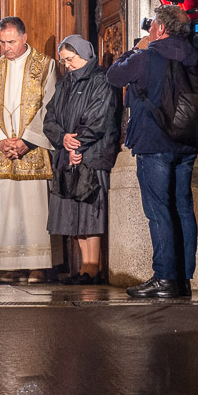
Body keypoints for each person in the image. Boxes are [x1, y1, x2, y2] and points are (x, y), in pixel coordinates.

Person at [106, 4, 198, 298]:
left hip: (154, 142)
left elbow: (113, 76)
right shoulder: (196, 57)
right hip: (187, 141)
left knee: (159, 210)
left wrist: (136, 49)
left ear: (160, 28)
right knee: (183, 208)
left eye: (153, 25)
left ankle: (164, 278)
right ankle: (183, 279)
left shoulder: (146, 56)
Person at [0, 17, 60, 283]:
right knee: (9, 211)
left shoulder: (46, 66)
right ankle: (11, 265)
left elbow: (49, 105)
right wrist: (1, 140)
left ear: (25, 38)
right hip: (4, 152)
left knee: (36, 209)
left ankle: (38, 265)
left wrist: (27, 139)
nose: (6, 48)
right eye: (2, 42)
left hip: (33, 148)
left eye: (11, 42)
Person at [42, 35, 122, 285]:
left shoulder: (101, 80)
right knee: (72, 215)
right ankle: (82, 267)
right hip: (69, 155)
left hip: (92, 155)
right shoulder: (64, 83)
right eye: (64, 61)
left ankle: (92, 267)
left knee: (89, 215)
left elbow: (100, 117)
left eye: (71, 59)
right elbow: (50, 118)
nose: (68, 65)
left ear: (84, 55)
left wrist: (78, 143)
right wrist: (63, 138)